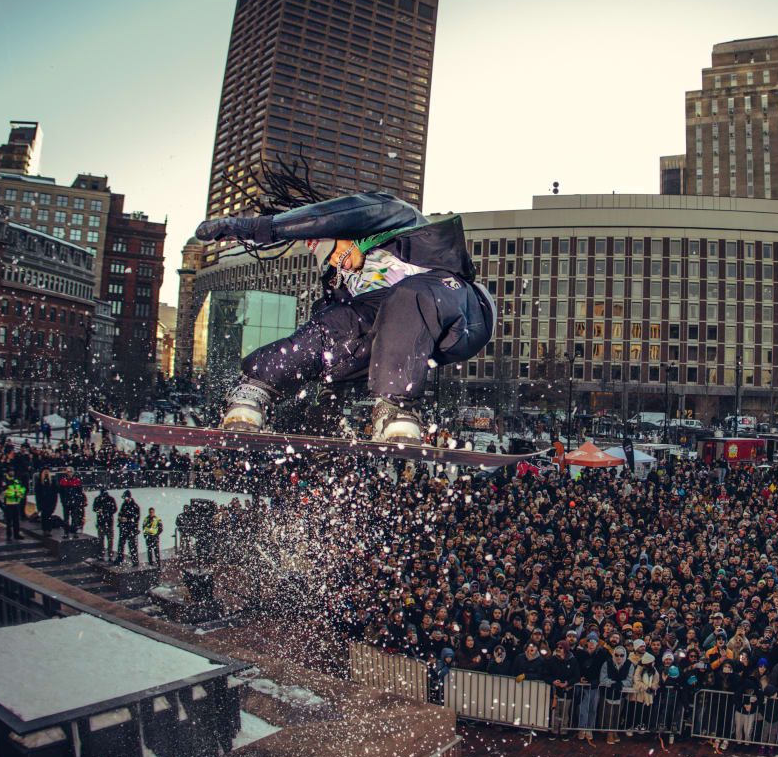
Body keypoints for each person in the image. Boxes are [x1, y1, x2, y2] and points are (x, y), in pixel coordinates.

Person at [194, 166, 496, 443]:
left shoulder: (395, 216)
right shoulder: (343, 284)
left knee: (407, 296)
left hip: (459, 308)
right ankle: (255, 388)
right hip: (406, 333)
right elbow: (336, 351)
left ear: (348, 236)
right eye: (332, 263)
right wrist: (325, 416)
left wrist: (259, 228)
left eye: (338, 253)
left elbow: (341, 214)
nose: (341, 264)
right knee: (336, 324)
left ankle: (397, 405)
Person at [117, 490, 141, 566]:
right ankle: (120, 559)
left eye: (126, 498)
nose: (125, 499)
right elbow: (120, 513)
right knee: (121, 544)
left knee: (132, 545)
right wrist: (120, 518)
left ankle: (135, 560)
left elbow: (136, 518)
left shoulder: (135, 506)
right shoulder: (124, 505)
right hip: (123, 527)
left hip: (131, 528)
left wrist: (127, 519)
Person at [0, 472, 26, 541]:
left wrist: (20, 493)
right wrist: (16, 494)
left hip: (16, 503)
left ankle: (16, 534)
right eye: (10, 471)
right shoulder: (5, 481)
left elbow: (22, 488)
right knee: (9, 521)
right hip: (9, 504)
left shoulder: (16, 481)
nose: (12, 472)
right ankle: (9, 535)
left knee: (16, 520)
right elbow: (5, 492)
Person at [93, 488, 117, 560]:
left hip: (107, 522)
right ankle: (104, 554)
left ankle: (108, 554)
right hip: (103, 523)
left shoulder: (109, 499)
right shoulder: (100, 499)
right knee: (104, 540)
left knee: (108, 540)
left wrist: (104, 511)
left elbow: (114, 509)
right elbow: (94, 508)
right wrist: (98, 510)